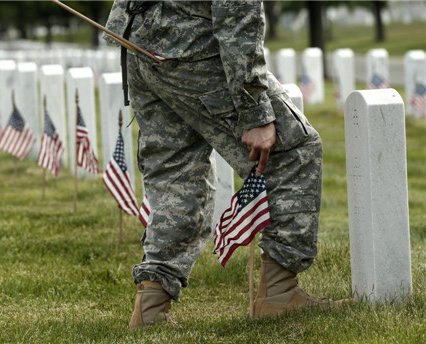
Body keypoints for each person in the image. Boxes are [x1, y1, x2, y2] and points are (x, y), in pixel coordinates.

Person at [104, 0, 349, 329]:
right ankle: (279, 294)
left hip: (139, 40)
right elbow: (237, 14)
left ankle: (151, 306)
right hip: (188, 43)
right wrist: (254, 110)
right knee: (294, 152)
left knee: (176, 171)